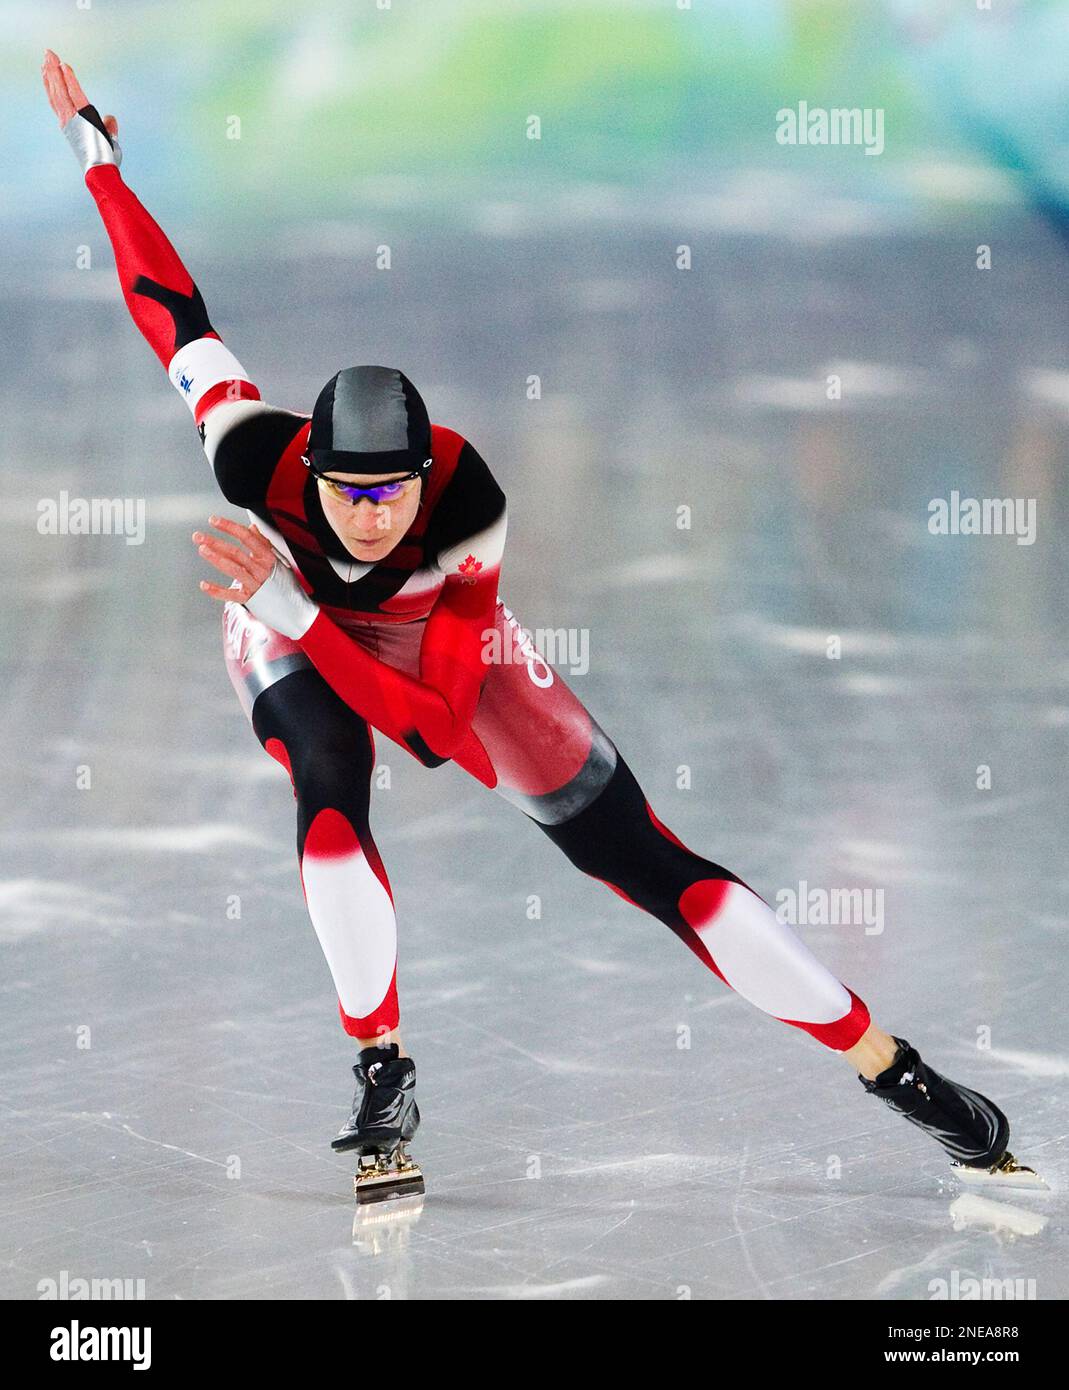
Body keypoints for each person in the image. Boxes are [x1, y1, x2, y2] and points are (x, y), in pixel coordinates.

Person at [43, 50, 1041, 1196]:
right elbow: (169, 309)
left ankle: (895, 1069)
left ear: (429, 477)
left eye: (392, 493)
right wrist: (101, 165)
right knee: (326, 781)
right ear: (303, 471)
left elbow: (429, 727)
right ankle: (382, 1067)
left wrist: (303, 615)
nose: (369, 517)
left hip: (426, 647)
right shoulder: (247, 451)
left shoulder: (470, 515)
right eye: (343, 493)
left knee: (641, 858)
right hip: (292, 622)